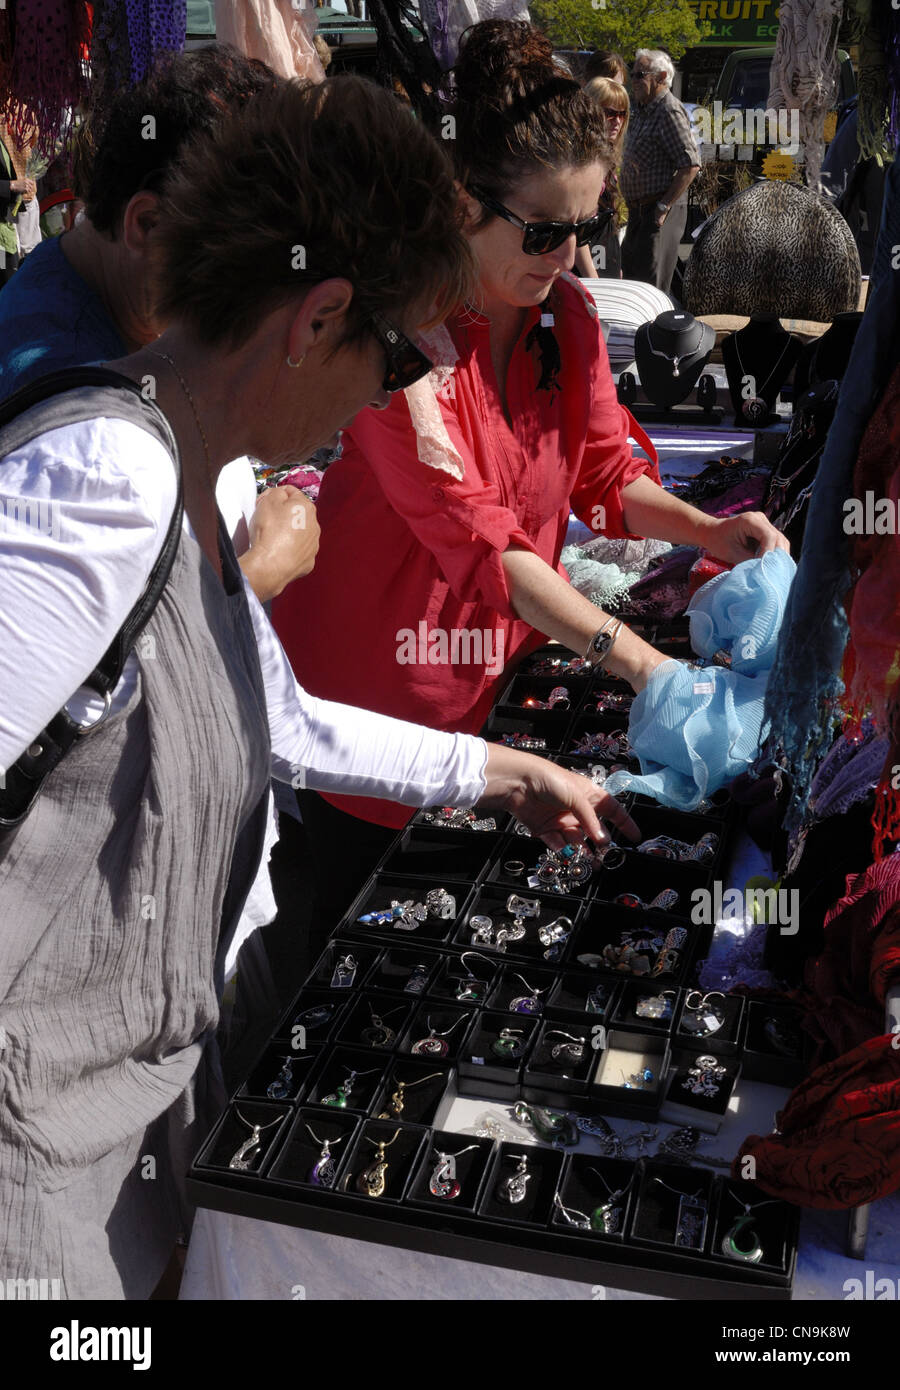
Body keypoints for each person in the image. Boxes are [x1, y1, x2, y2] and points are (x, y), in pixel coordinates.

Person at [0, 74, 633, 1301]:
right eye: (396, 358)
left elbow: (270, 716)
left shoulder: (199, 469)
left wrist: (495, 774)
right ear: (318, 316)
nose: (385, 398)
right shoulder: (105, 481)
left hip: (123, 1124)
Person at [274, 19, 788, 925]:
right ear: (464, 203)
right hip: (370, 703)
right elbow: (480, 544)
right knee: (340, 929)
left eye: (586, 229)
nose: (569, 257)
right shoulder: (399, 348)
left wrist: (709, 532)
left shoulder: (571, 319)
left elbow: (600, 474)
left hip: (490, 694)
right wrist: (632, 660)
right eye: (546, 232)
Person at [619, 48, 699, 293]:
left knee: (650, 285)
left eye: (639, 75)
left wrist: (663, 207)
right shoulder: (643, 108)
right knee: (632, 278)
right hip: (638, 211)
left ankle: (655, 330)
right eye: (632, 74)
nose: (633, 81)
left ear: (662, 77)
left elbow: (690, 164)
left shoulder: (668, 110)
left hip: (658, 210)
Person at [576, 75, 629, 278]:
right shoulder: (585, 163)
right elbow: (575, 231)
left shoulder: (604, 158)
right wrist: (594, 280)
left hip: (606, 263)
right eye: (610, 113)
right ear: (590, 111)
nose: (617, 121)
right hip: (589, 273)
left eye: (622, 114)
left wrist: (616, 266)